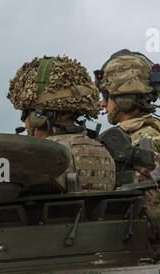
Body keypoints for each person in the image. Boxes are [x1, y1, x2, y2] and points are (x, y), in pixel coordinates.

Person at [94, 49, 160, 251]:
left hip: (138, 249)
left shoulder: (133, 138)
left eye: (107, 96)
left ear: (123, 98)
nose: (103, 103)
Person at [7, 55, 115, 193]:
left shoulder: (37, 158)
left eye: (25, 114)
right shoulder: (105, 152)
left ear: (37, 117)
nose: (25, 122)